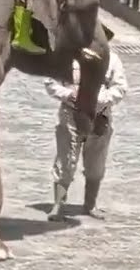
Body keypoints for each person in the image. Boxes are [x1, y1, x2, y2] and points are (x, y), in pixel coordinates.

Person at [44, 51, 128, 221]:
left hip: (99, 116)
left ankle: (90, 205)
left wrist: (101, 99)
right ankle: (58, 205)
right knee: (65, 160)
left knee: (96, 163)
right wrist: (68, 94)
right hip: (71, 114)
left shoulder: (112, 58)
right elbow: (50, 82)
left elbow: (120, 87)